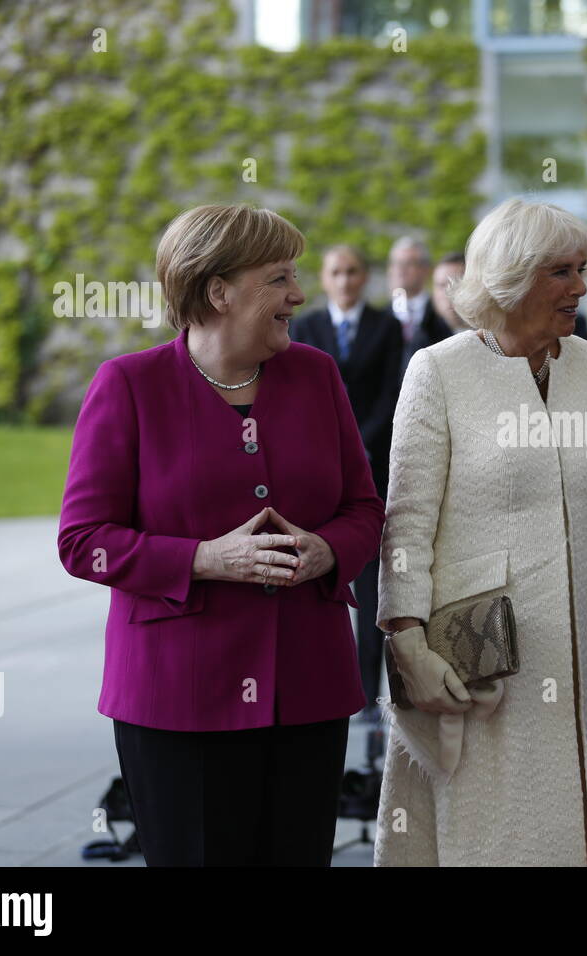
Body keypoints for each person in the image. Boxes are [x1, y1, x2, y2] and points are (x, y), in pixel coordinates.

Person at [57, 204, 384, 866]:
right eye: (280, 278)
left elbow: (364, 508)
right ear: (218, 290)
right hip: (178, 699)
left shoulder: (317, 375)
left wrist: (328, 550)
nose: (300, 294)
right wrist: (205, 559)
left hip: (308, 690)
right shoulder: (128, 386)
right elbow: (82, 539)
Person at [373, 197, 587, 867]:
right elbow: (406, 519)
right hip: (480, 663)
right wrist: (406, 642)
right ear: (512, 277)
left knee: (586, 829)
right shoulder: (437, 372)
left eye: (582, 269)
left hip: (582, 653)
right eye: (562, 272)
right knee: (494, 831)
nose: (580, 288)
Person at [290, 244, 402, 721]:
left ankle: (367, 692)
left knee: (372, 586)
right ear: (325, 277)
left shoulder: (387, 327)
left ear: (364, 277)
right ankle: (324, 685)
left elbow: (392, 391)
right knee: (320, 578)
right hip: (319, 463)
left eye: (353, 271)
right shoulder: (307, 325)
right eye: (336, 272)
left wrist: (359, 442)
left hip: (371, 463)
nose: (345, 280)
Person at [387, 236, 436, 344]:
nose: (401, 269)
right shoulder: (379, 318)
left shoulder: (439, 313)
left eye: (409, 263)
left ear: (425, 269)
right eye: (397, 263)